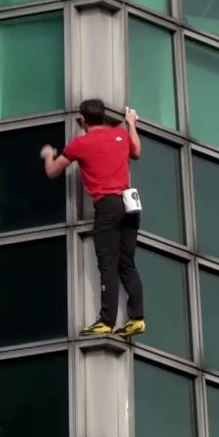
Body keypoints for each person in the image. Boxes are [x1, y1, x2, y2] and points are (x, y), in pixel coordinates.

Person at [40, 99, 145, 338]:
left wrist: (49, 154)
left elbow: (52, 171)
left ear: (82, 119)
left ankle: (106, 321)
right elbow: (137, 151)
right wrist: (130, 123)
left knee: (107, 262)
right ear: (103, 116)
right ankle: (137, 318)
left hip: (108, 206)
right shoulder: (119, 134)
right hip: (131, 204)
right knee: (126, 262)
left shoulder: (80, 144)